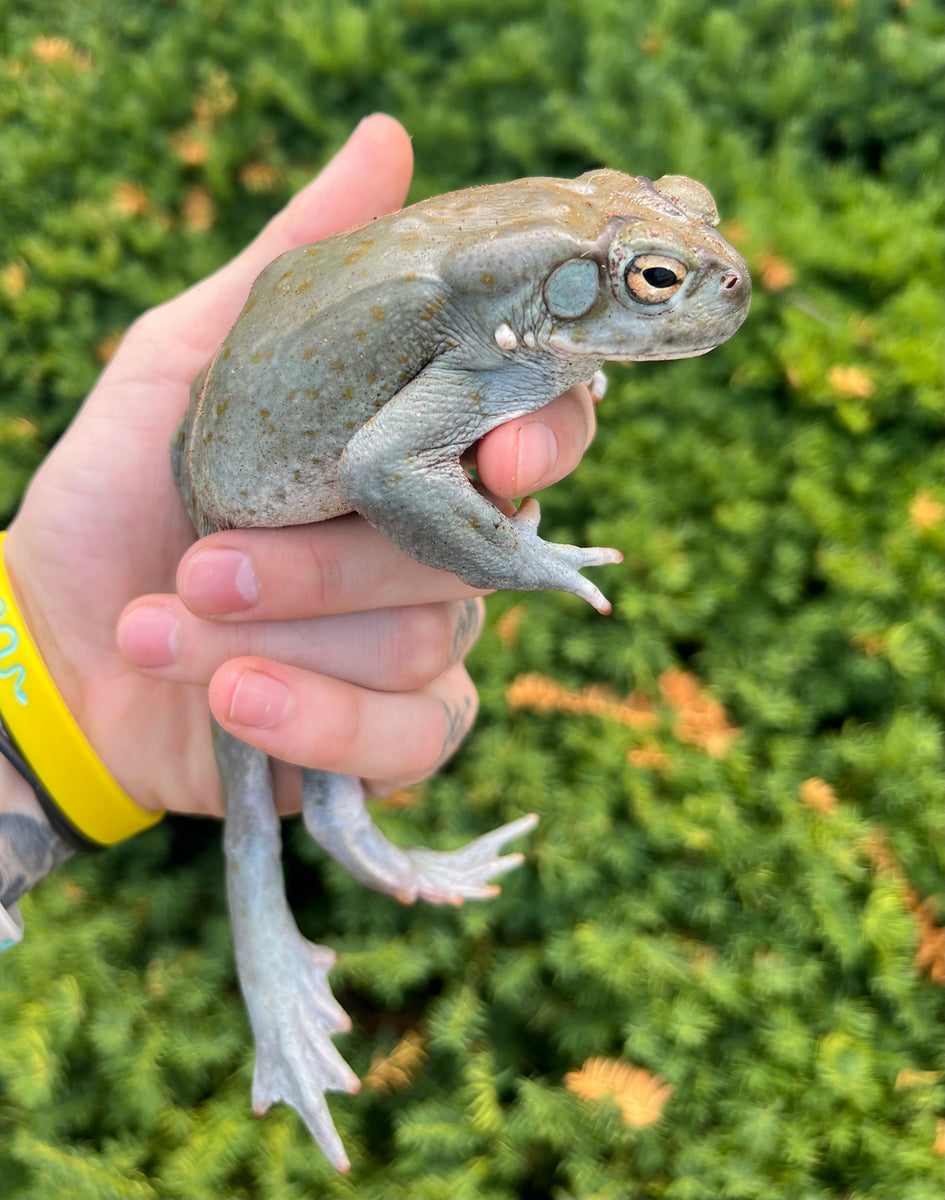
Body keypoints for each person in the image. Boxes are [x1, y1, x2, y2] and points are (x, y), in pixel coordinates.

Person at [0, 114, 603, 943]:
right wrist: (514, 556)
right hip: (245, 483)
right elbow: (379, 471)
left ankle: (337, 817)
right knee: (257, 767)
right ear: (556, 286)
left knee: (281, 700)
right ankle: (318, 856)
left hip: (222, 473)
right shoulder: (483, 316)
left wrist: (44, 698)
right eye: (649, 280)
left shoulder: (501, 307)